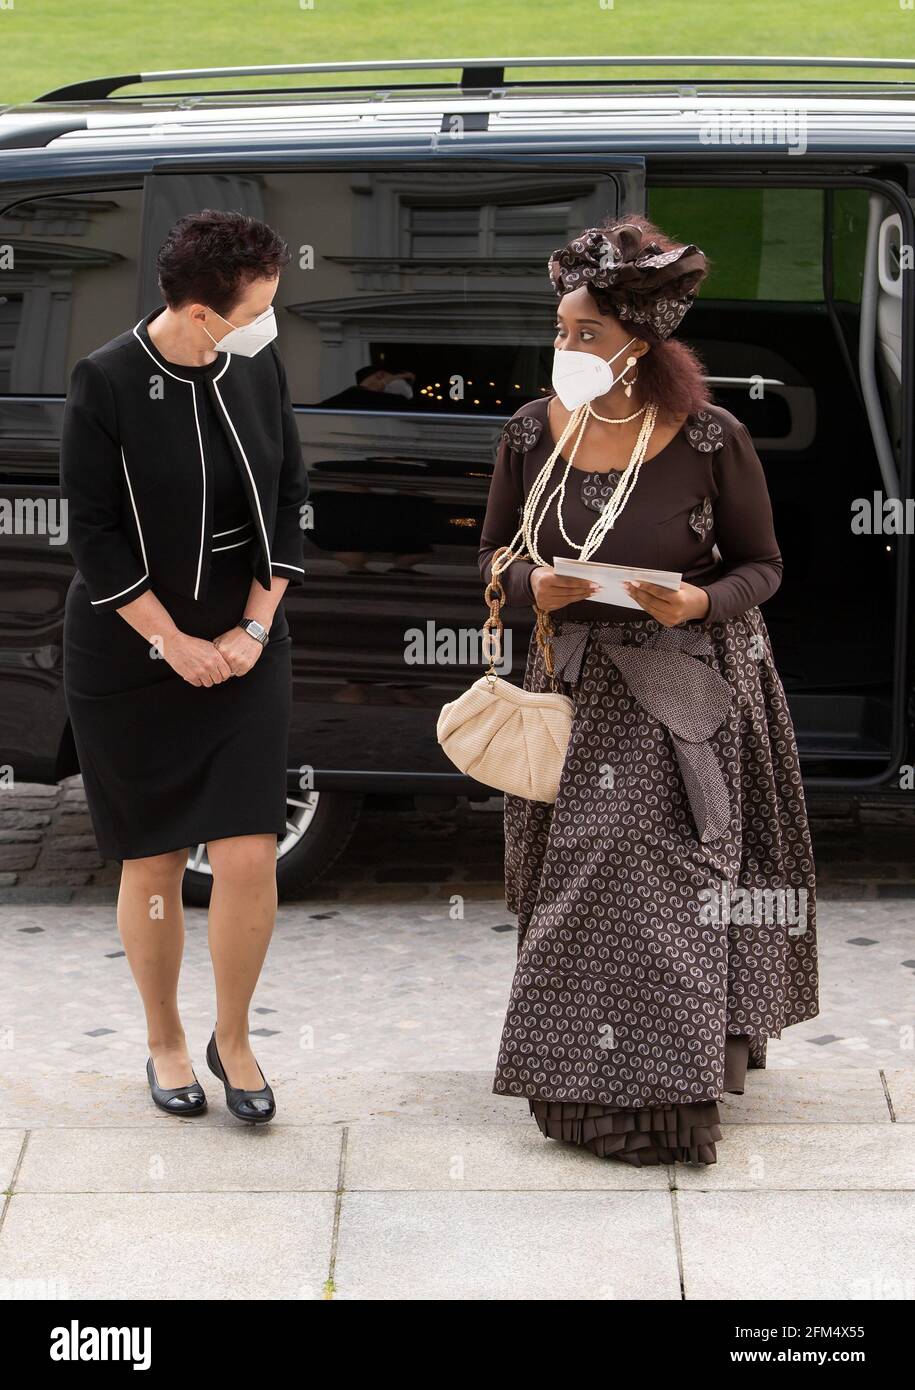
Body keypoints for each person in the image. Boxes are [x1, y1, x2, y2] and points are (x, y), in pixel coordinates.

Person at [478, 215, 818, 1165]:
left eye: (584, 334)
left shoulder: (712, 436)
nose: (567, 349)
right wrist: (524, 586)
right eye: (559, 333)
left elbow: (763, 565)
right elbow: (493, 558)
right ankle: (585, 1085)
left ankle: (663, 1095)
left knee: (672, 885)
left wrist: (697, 602)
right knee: (586, 887)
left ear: (639, 340)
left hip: (690, 692)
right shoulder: (525, 431)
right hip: (574, 689)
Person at [60, 209, 308, 1124]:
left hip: (248, 648)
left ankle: (233, 1037)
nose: (271, 321)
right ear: (204, 311)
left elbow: (290, 500)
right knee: (155, 857)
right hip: (134, 652)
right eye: (258, 307)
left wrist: (250, 627)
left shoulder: (258, 364)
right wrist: (171, 639)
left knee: (248, 849)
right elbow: (93, 530)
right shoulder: (108, 381)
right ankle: (165, 1037)